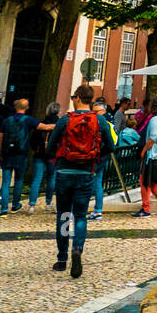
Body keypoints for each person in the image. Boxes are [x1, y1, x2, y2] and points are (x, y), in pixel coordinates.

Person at [44, 84, 114, 277]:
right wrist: (96, 156)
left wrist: (57, 157)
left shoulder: (65, 120)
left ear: (77, 98)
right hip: (86, 173)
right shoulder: (99, 120)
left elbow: (50, 147)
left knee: (64, 215)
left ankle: (61, 258)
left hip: (64, 172)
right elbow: (111, 146)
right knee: (81, 216)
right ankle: (77, 249)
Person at [0, 99, 38, 215]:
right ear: (27, 107)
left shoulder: (7, 120)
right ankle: (15, 204)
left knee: (5, 182)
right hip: (21, 153)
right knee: (19, 180)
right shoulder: (28, 120)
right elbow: (42, 127)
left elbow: (0, 139)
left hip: (7, 153)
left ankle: (3, 208)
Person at [26, 102, 62, 213]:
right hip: (53, 155)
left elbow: (32, 140)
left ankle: (32, 205)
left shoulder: (40, 123)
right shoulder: (60, 124)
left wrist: (36, 149)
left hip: (39, 154)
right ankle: (48, 202)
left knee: (36, 179)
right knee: (51, 179)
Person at [87, 97, 117, 220]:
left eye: (96, 112)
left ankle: (86, 209)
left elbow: (110, 143)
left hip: (98, 156)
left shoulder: (103, 123)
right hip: (102, 156)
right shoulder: (106, 122)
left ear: (103, 111)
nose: (94, 114)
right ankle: (98, 210)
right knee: (98, 182)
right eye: (92, 111)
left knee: (89, 181)